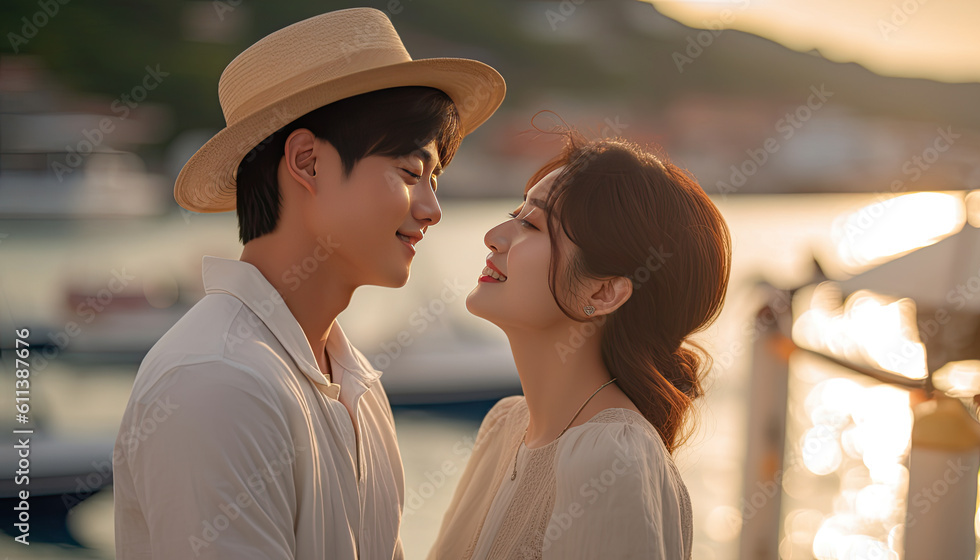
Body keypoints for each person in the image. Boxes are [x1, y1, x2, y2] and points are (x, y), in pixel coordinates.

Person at [112, 8, 504, 559]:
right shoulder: (218, 382)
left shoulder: (356, 385)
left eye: (434, 180)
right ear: (308, 162)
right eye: (411, 173)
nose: (432, 209)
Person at [428, 128, 732, 559]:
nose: (494, 235)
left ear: (603, 293)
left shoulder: (615, 456)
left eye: (531, 224)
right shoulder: (504, 427)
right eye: (515, 213)